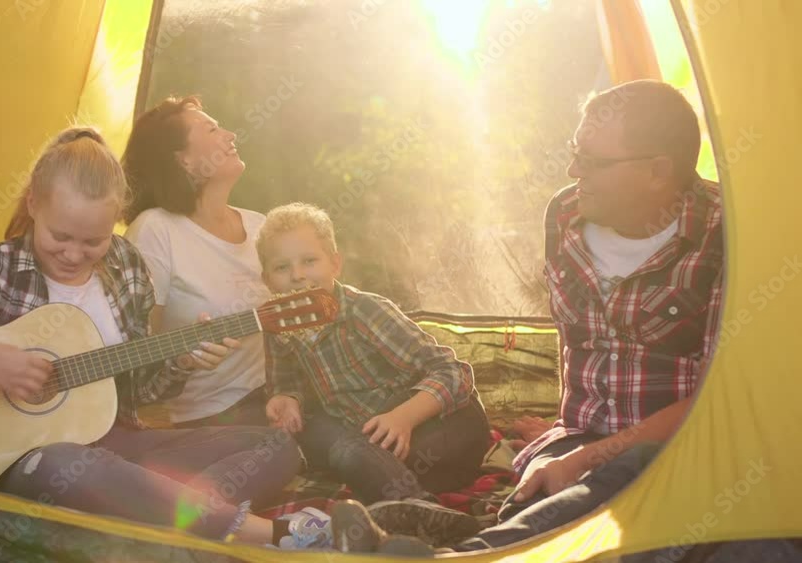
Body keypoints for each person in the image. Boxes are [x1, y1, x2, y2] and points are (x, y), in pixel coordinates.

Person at [331, 80, 725, 557]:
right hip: (576, 437)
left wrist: (589, 458)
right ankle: (469, 535)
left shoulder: (727, 234)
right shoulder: (564, 214)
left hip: (678, 447)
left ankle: (457, 550)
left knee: (625, 492)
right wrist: (569, 442)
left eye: (592, 160)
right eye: (572, 151)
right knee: (556, 500)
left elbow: (719, 394)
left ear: (657, 172)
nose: (572, 169)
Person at [0, 126, 331, 547]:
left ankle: (169, 519)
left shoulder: (125, 265)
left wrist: (181, 360)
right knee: (65, 462)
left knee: (277, 445)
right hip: (29, 462)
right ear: (33, 204)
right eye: (60, 236)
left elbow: (138, 392)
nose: (73, 254)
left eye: (93, 241)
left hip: (117, 447)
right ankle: (255, 532)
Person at [256, 202, 491, 544]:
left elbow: (454, 372)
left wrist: (404, 417)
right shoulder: (279, 324)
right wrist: (286, 397)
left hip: (445, 430)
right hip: (376, 448)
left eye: (310, 261)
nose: (298, 276)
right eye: (282, 267)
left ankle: (420, 513)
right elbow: (285, 379)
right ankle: (404, 509)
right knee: (327, 440)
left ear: (335, 263)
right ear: (266, 280)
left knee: (349, 448)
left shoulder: (365, 312)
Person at [123, 95, 270, 428]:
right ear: (184, 161)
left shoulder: (261, 226)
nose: (231, 135)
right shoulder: (156, 230)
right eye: (213, 129)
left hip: (275, 400)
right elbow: (135, 360)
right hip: (202, 418)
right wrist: (184, 355)